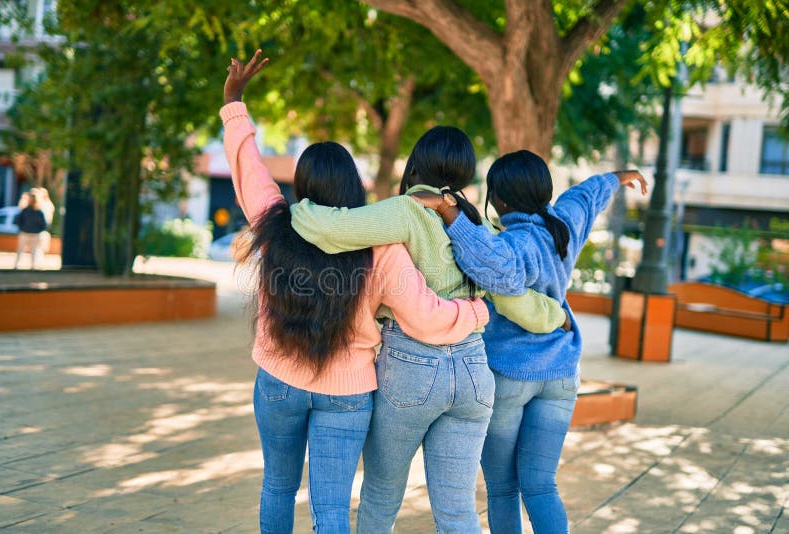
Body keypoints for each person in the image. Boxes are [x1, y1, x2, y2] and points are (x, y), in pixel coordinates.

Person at [222, 50, 489, 534]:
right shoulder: (381, 248)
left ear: (300, 184)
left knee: (277, 487)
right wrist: (476, 312)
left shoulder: (277, 221)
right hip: (347, 395)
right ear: (354, 189)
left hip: (278, 381)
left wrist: (234, 104)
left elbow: (248, 170)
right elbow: (425, 318)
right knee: (331, 511)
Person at [289, 129, 569, 532]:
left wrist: (298, 209)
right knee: (458, 512)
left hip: (413, 367)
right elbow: (514, 300)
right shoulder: (473, 223)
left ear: (415, 164)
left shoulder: (408, 210)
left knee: (382, 496)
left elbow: (334, 230)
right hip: (474, 373)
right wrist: (556, 315)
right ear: (466, 173)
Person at [411, 150, 647, 533]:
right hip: (561, 375)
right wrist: (619, 176)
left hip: (510, 374)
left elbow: (497, 269)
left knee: (503, 488)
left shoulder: (516, 243)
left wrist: (449, 211)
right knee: (541, 485)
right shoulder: (563, 225)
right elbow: (584, 196)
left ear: (499, 199)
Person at [14, 192, 48, 269]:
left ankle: (31, 266)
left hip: (32, 234)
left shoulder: (38, 212)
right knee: (24, 250)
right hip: (27, 234)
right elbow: (18, 221)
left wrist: (37, 231)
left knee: (32, 251)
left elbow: (44, 225)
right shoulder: (27, 210)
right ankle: (18, 265)